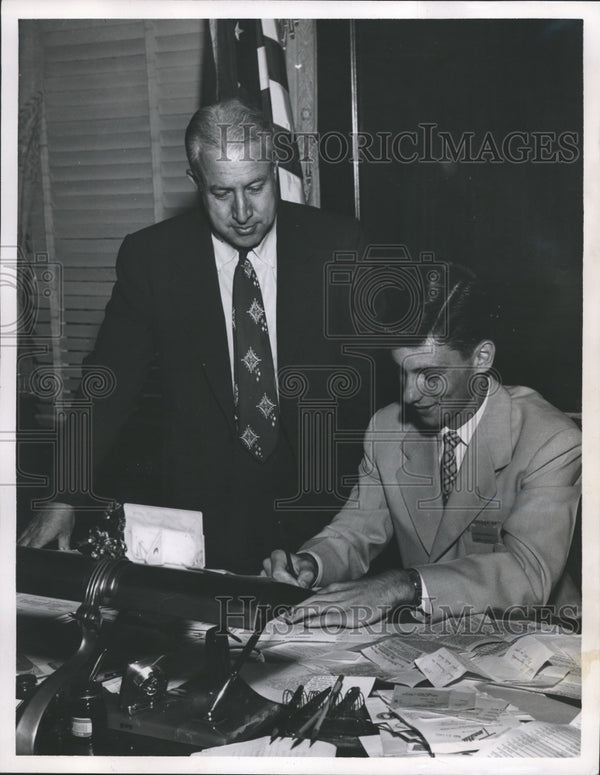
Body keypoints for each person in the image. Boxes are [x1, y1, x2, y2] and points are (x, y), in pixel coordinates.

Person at [18, 98, 372, 573]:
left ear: (275, 169)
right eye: (221, 193)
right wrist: (63, 495)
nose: (243, 211)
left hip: (323, 512)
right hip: (204, 518)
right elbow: (107, 388)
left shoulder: (337, 245)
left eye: (256, 187)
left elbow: (370, 396)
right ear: (195, 182)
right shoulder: (153, 259)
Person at [263, 264, 582, 623]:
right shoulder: (387, 428)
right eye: (402, 371)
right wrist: (312, 562)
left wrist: (405, 585)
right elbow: (356, 530)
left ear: (481, 358)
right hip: (431, 639)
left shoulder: (552, 441)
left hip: (540, 634)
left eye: (430, 375)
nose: (409, 395)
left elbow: (527, 573)